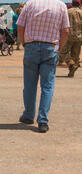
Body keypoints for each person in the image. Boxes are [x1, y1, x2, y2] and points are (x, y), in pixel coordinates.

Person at [17, 0, 70, 133]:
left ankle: (29, 115)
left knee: (29, 85)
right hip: (50, 47)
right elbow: (65, 31)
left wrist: (24, 44)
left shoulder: (30, 4)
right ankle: (42, 120)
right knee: (47, 86)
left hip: (32, 46)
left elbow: (20, 26)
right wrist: (59, 48)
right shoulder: (61, 5)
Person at [65, 0, 81, 78]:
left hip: (67, 36)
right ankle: (73, 66)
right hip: (79, 37)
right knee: (75, 55)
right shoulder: (81, 12)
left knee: (64, 53)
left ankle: (70, 63)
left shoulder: (67, 12)